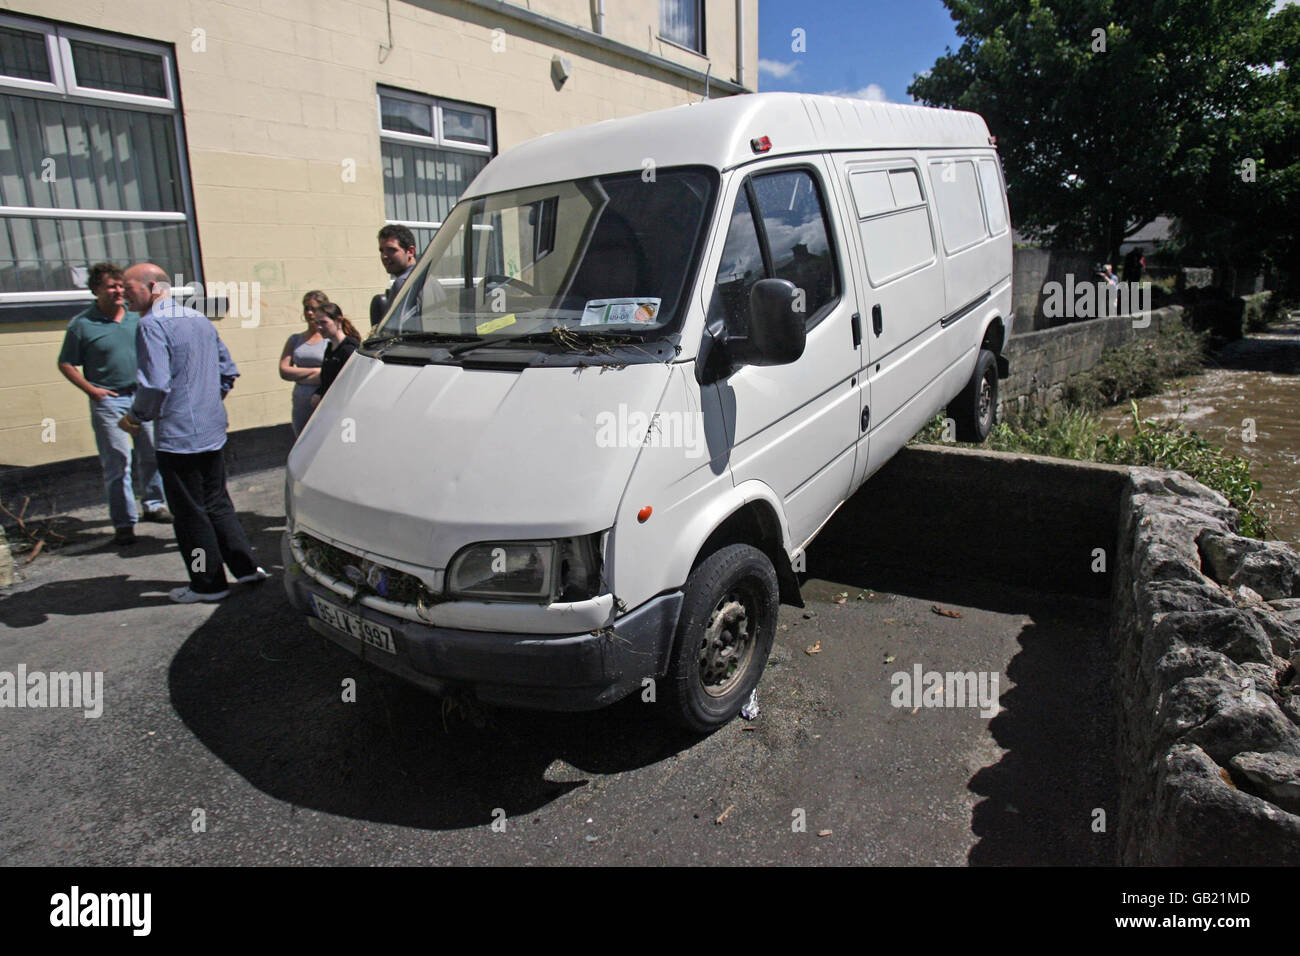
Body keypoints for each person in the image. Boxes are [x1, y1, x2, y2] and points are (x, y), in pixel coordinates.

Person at [116, 263, 266, 604]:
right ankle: (245, 568)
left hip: (179, 435)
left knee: (189, 512)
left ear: (152, 286)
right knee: (217, 502)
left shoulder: (151, 325)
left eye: (129, 288)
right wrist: (207, 401)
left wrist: (137, 417)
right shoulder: (197, 319)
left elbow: (154, 384)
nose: (124, 294)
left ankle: (207, 584)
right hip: (212, 428)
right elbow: (227, 371)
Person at [57, 262, 171, 546]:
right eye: (111, 286)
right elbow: (66, 362)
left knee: (152, 454)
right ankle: (124, 523)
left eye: (121, 285)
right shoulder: (82, 324)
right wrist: (92, 391)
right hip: (110, 401)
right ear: (96, 290)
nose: (119, 291)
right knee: (118, 462)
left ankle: (155, 505)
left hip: (142, 396)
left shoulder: (137, 317)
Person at [280, 291, 328, 435]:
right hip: (301, 401)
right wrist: (315, 371)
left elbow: (332, 372)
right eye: (306, 308)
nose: (309, 313)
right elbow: (284, 370)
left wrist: (299, 374)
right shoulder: (295, 339)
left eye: (313, 309)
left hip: (323, 400)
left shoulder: (330, 339)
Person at [309, 304, 362, 409]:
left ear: (338, 321)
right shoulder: (330, 348)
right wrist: (319, 393)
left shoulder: (349, 349)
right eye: (317, 323)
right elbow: (327, 380)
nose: (319, 327)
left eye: (324, 322)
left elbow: (350, 384)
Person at [374, 224, 418, 328]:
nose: (384, 256)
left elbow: (394, 331)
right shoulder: (429, 279)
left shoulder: (403, 283)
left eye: (392, 250)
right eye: (382, 250)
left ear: (410, 251)